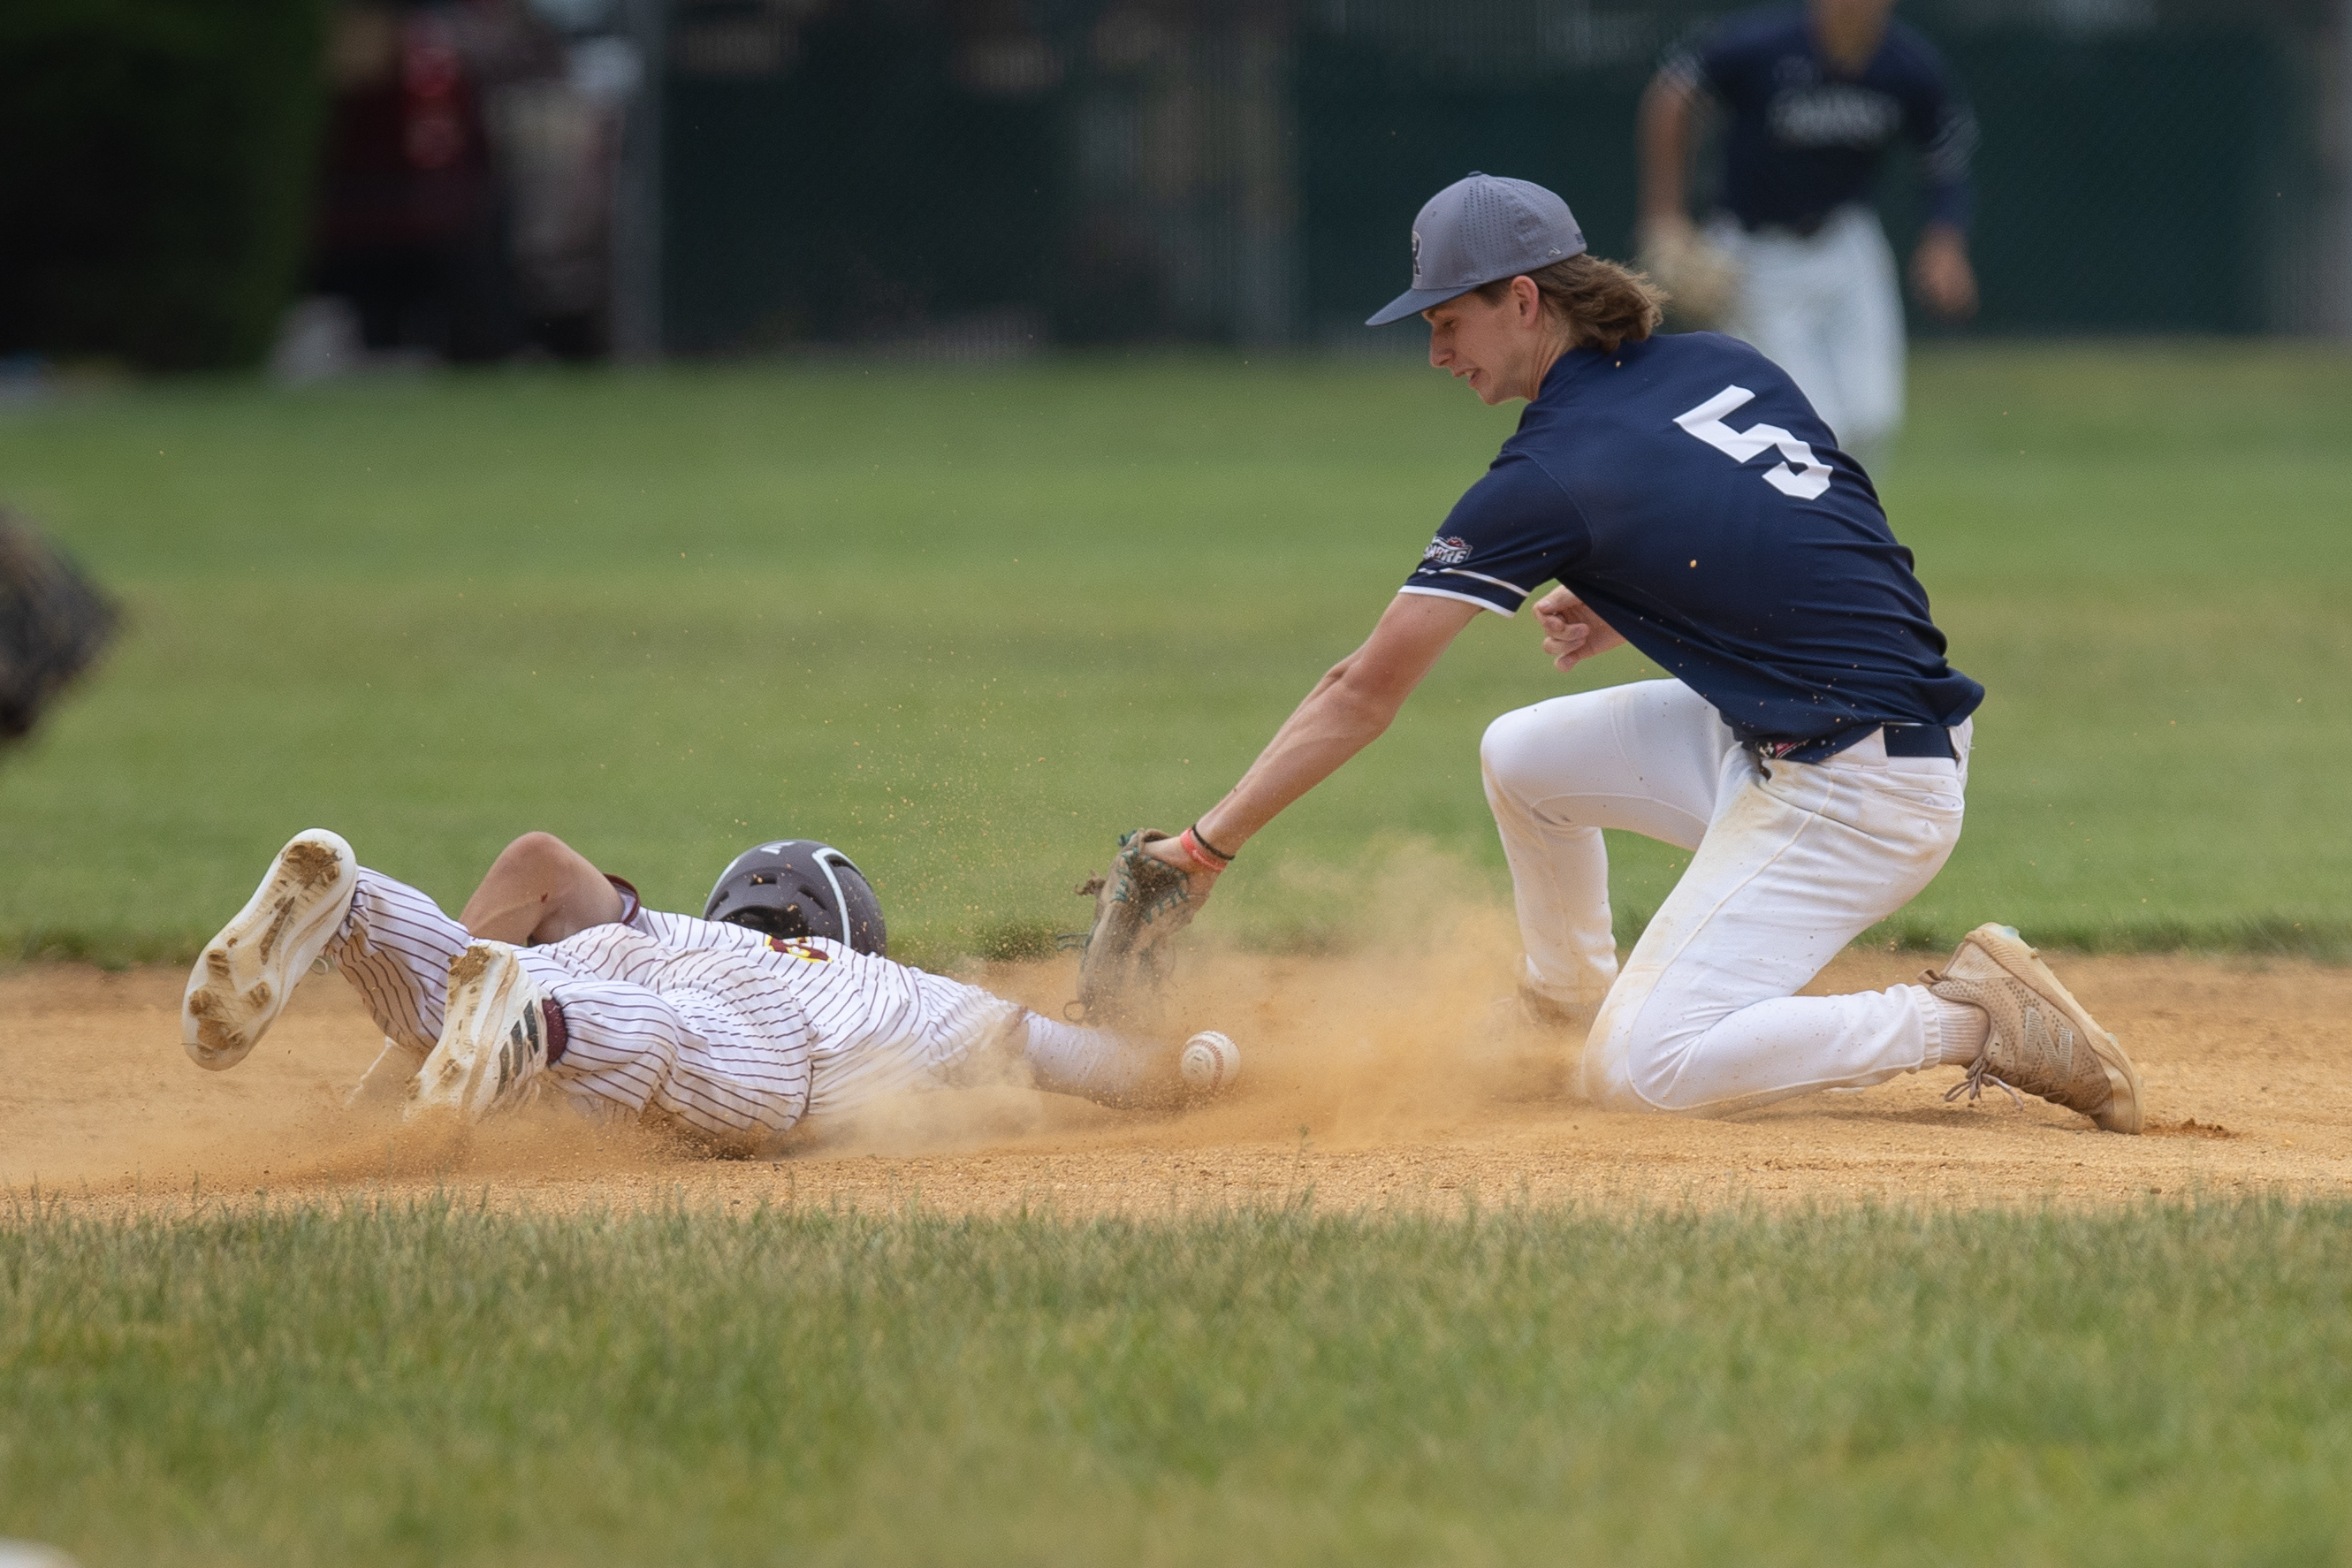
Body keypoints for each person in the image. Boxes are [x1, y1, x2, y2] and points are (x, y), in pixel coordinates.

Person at [1121, 172, 2141, 1132]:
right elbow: (1840, 527)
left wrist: (1207, 847)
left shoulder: (1552, 470)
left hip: (1859, 791)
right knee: (1525, 758)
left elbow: (1363, 689)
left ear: (1524, 301)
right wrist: (1648, 592)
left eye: (1446, 321)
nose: (1435, 352)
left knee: (1644, 1070)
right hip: (1826, 728)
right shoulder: (1720, 362)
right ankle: (1563, 1003)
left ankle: (1972, 1018)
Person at [181, 827, 1239, 1152]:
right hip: (764, 1041)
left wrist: (404, 1067)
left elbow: (536, 860)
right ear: (850, 931)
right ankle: (525, 1022)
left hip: (599, 962)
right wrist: (1198, 1070)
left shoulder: (663, 928)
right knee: (672, 1051)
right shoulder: (902, 991)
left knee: (541, 989)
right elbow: (1100, 1067)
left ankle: (360, 909)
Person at [1637, 0, 1978, 468]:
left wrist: (1945, 239)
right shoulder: (1762, 47)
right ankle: (1797, 528)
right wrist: (1665, 215)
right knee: (1813, 423)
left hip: (1847, 242)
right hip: (1755, 252)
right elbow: (1673, 91)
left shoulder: (1907, 66)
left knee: (1872, 417)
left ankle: (1842, 531)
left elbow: (1944, 152)